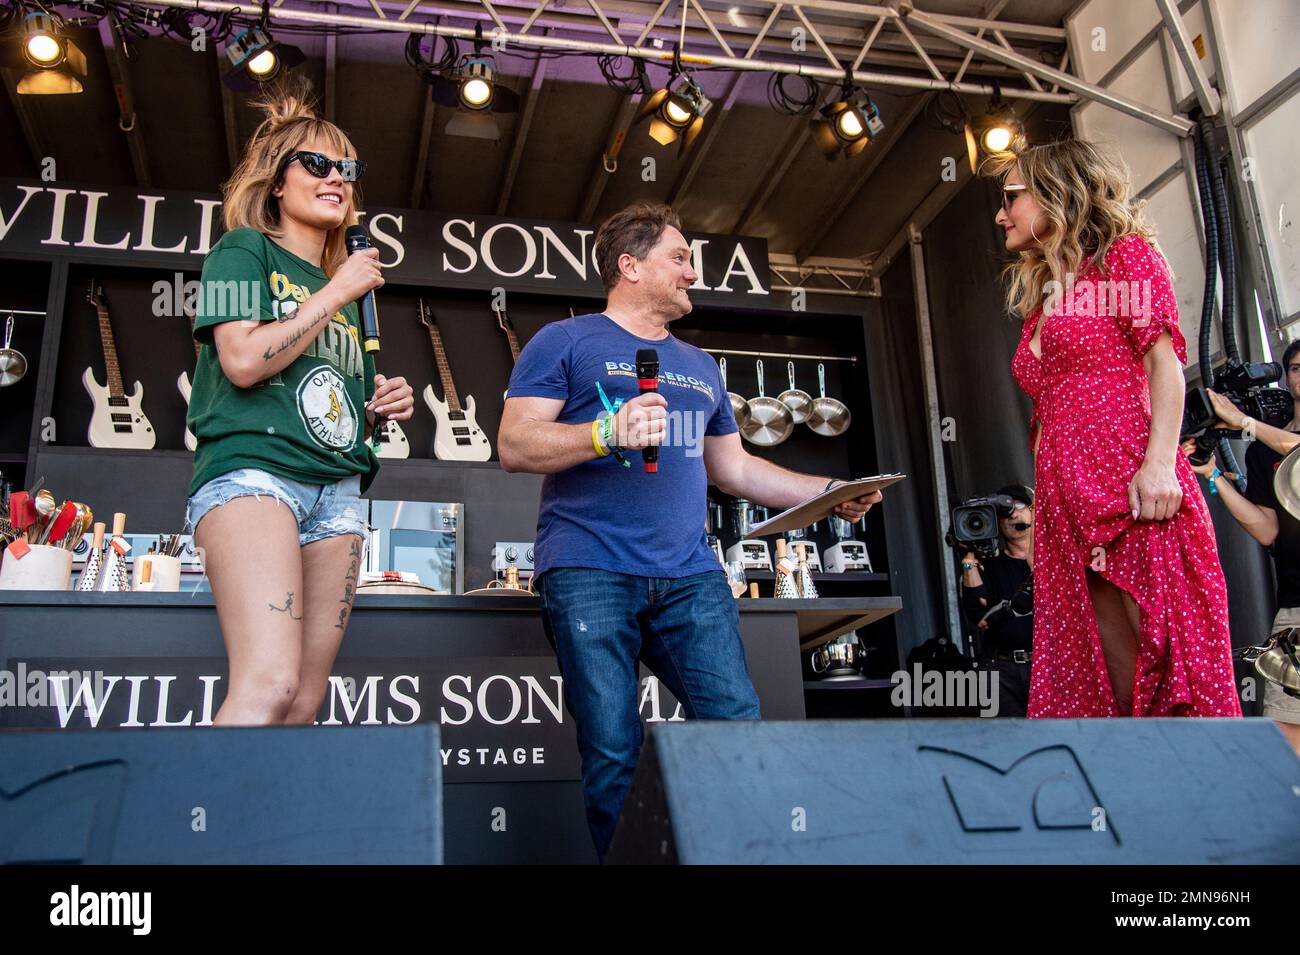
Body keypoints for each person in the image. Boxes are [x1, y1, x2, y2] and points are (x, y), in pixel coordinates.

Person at [498, 201, 882, 858]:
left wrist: (827, 493)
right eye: (679, 257)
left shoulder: (701, 365)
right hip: (589, 571)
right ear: (629, 265)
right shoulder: (564, 341)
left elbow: (734, 468)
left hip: (689, 574)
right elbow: (515, 443)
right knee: (614, 752)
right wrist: (605, 430)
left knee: (736, 728)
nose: (692, 273)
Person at [185, 83, 414, 726]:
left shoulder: (344, 289)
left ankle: (269, 830)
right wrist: (336, 292)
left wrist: (377, 404)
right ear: (277, 184)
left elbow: (325, 398)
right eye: (316, 164)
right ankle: (199, 829)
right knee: (267, 685)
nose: (336, 177)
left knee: (304, 701)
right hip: (254, 474)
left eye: (347, 169)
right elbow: (243, 359)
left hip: (337, 492)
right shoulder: (242, 251)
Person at [997, 140, 1239, 718]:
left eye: (1012, 197)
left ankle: (1202, 798)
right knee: (1109, 676)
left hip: (1132, 483)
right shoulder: (1045, 299)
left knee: (1170, 652)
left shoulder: (1126, 258)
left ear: (1059, 190)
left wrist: (1159, 465)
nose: (1001, 214)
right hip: (1068, 502)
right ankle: (1138, 799)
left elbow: (1165, 368)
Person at [1180, 341, 1300, 752]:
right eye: (1298, 368)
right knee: (1286, 729)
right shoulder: (1265, 449)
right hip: (1296, 606)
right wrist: (1214, 477)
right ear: (1288, 376)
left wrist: (1243, 422)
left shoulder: (1269, 441)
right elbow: (1268, 530)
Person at [959, 484, 1035, 717]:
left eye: (1019, 506)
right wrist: (968, 557)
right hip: (1001, 670)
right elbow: (977, 613)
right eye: (1004, 511)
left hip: (1049, 664)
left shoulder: (1054, 560)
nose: (1013, 513)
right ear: (996, 523)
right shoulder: (990, 566)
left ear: (1033, 510)